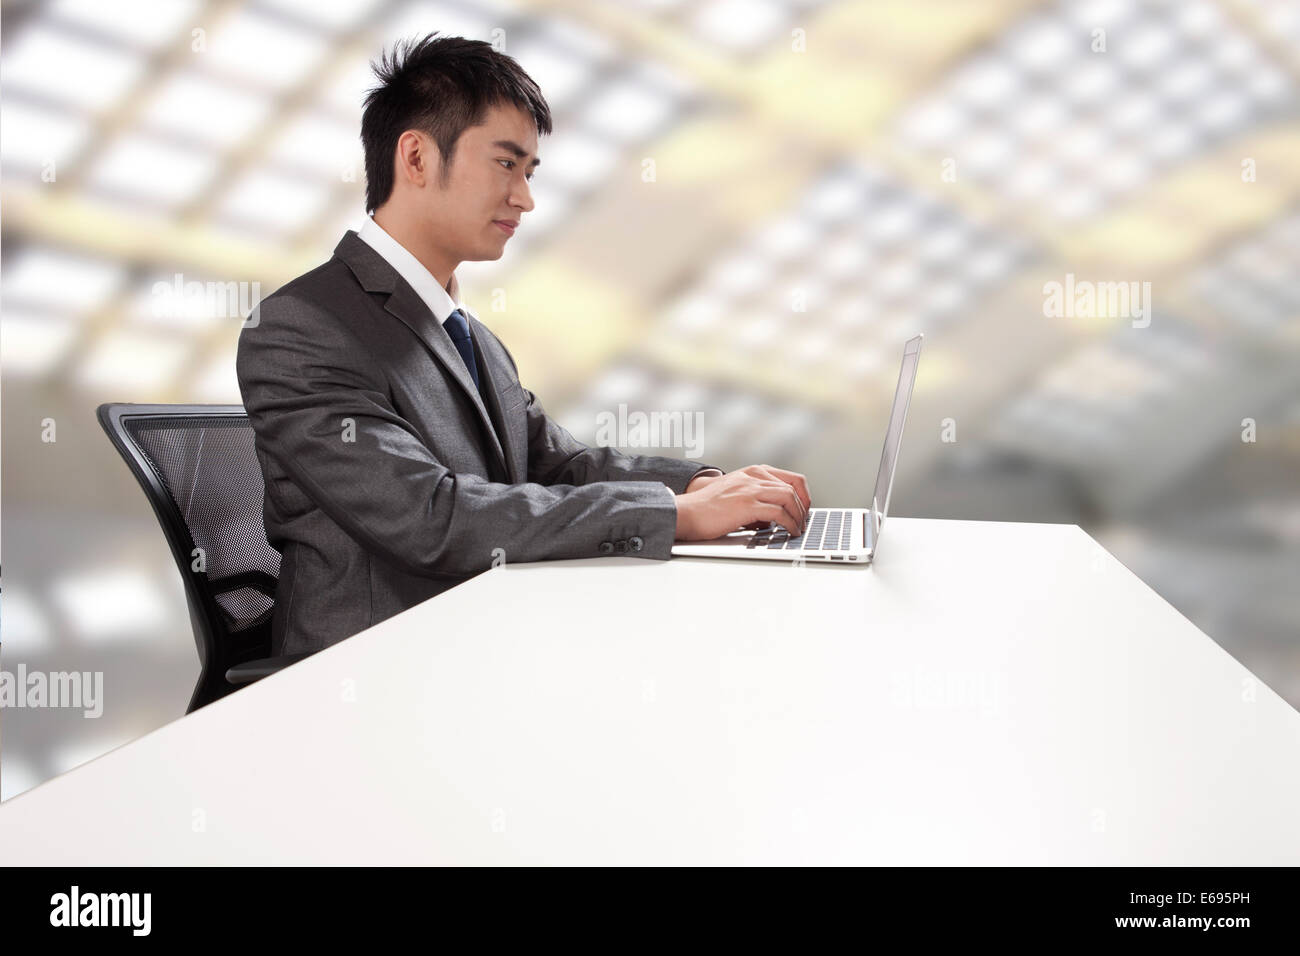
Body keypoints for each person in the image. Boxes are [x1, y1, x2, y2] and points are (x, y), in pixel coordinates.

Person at [237, 33, 811, 656]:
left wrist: (701, 485)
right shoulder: (301, 328)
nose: (525, 198)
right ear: (417, 158)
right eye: (507, 164)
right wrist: (673, 516)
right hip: (377, 665)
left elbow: (559, 464)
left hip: (489, 631)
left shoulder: (471, 336)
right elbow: (430, 518)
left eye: (529, 171)